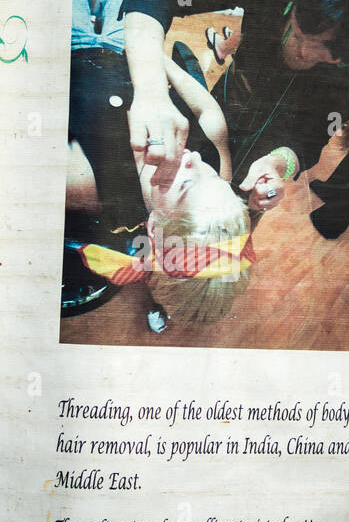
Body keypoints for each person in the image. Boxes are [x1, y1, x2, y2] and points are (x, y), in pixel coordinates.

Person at [119, 0, 349, 236]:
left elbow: (311, 141)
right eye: (303, 30)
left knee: (214, 242)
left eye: (329, 52)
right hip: (203, 135)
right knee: (156, 216)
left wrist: (279, 166)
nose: (305, 53)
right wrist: (151, 91)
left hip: (250, 189)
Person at [65, 44, 297, 325]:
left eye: (186, 184)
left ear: (155, 226)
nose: (196, 158)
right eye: (213, 177)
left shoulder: (83, 183)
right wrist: (149, 56)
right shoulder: (216, 166)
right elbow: (207, 110)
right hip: (127, 47)